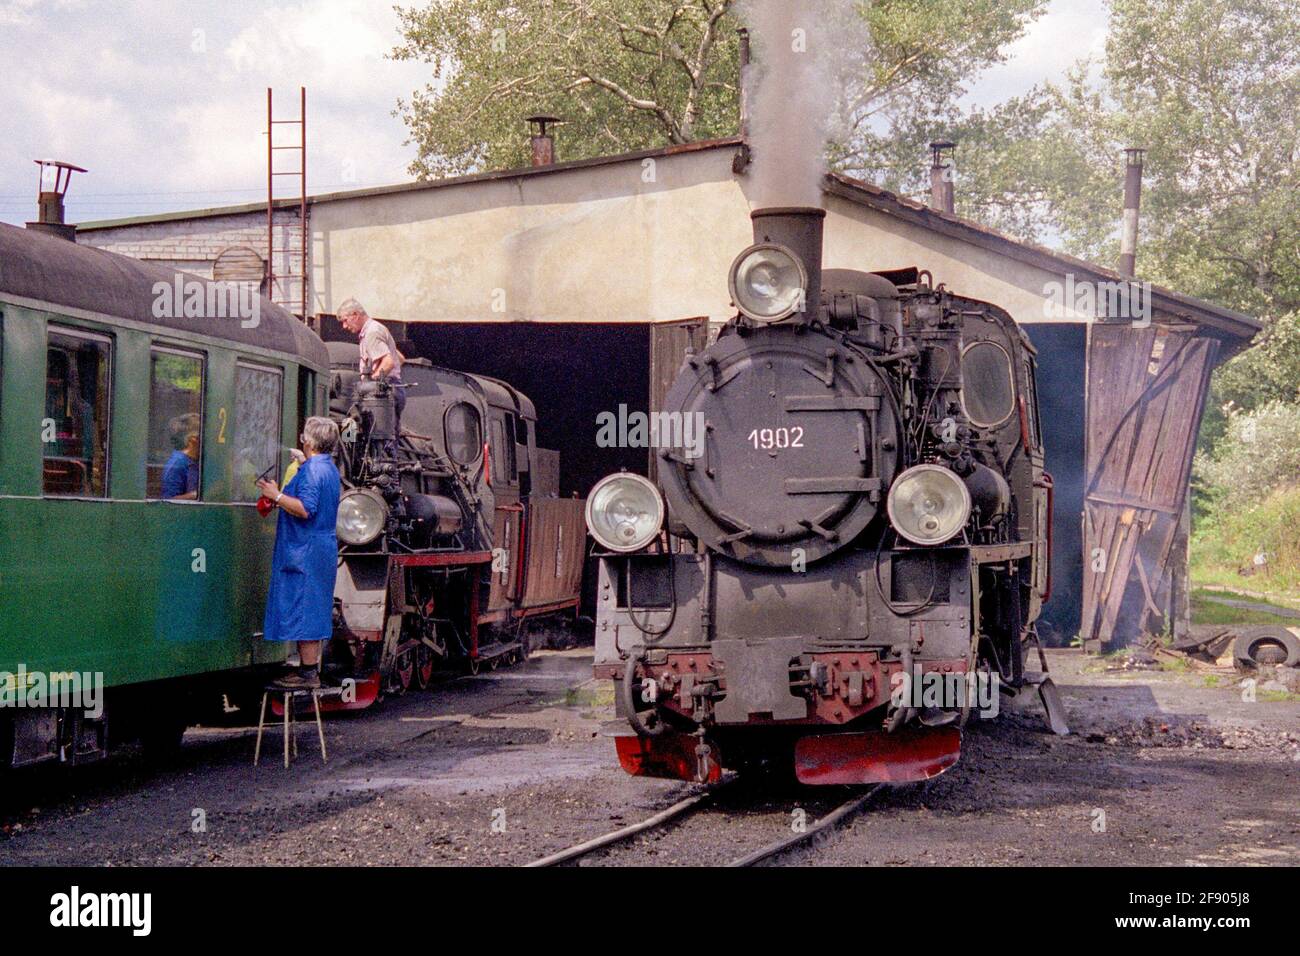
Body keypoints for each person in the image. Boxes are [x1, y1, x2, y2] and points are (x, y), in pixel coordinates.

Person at [256, 416, 342, 688]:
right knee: (313, 606)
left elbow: (306, 508)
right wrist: (304, 463)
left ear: (309, 441)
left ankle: (307, 674)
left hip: (305, 547)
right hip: (320, 546)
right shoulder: (327, 467)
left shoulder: (313, 471)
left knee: (303, 606)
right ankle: (308, 669)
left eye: (304, 435)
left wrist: (276, 494)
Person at [337, 297, 406, 432]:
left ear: (355, 315)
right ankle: (349, 444)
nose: (344, 326)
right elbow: (400, 358)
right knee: (350, 421)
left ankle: (357, 448)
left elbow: (389, 362)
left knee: (378, 437)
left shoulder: (372, 332)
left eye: (345, 320)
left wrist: (369, 383)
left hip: (384, 393)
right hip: (390, 389)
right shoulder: (375, 329)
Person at [161, 413, 201, 500]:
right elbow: (168, 502)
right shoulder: (177, 464)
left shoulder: (199, 461)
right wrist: (196, 495)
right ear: (193, 439)